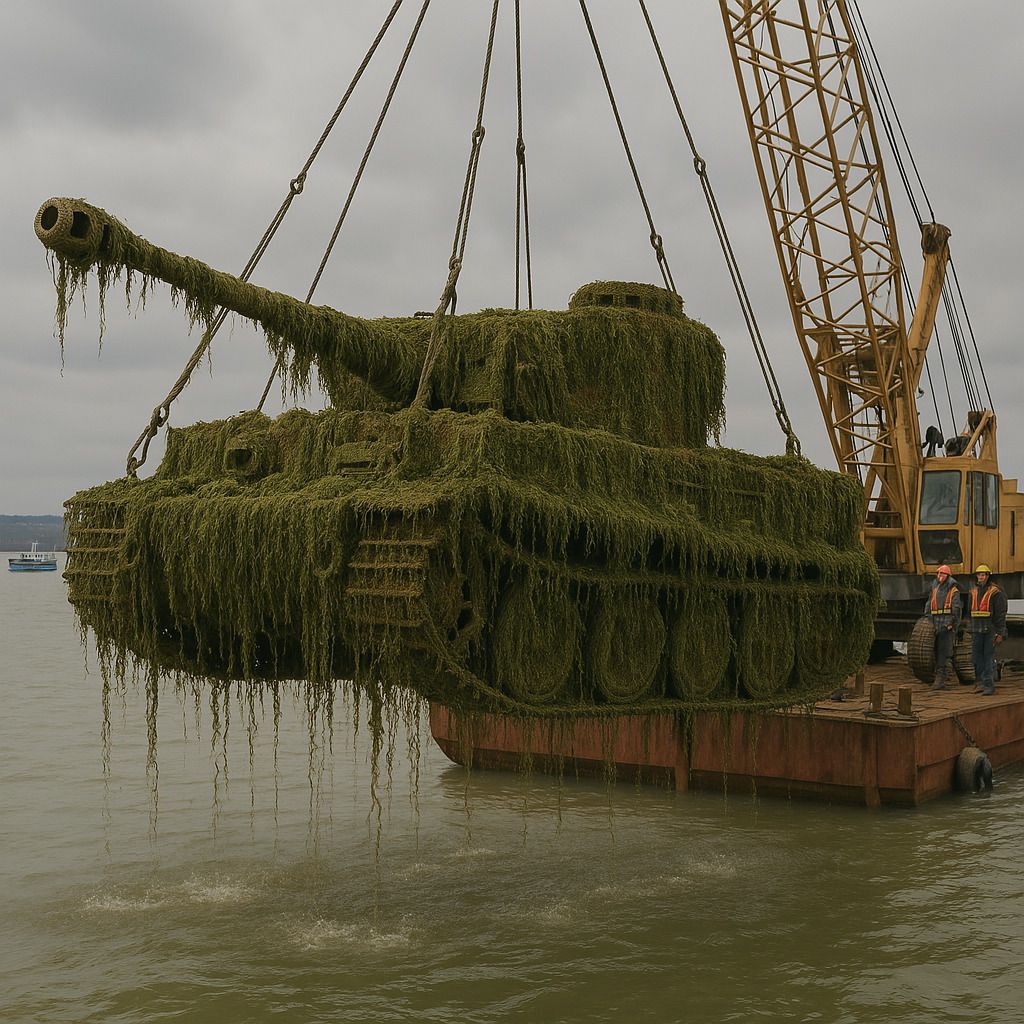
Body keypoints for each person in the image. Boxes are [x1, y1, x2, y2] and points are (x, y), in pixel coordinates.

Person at [968, 564, 1007, 696]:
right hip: (976, 630)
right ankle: (980, 683)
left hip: (990, 630)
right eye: (979, 575)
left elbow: (1000, 614)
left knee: (988, 658)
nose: (980, 577)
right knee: (976, 658)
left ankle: (989, 686)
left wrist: (1000, 632)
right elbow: (970, 612)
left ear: (988, 576)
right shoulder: (973, 591)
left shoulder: (996, 592)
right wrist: (969, 628)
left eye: (983, 575)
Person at [926, 564, 961, 691]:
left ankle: (940, 678)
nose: (939, 576)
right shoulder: (935, 587)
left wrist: (951, 623)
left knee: (943, 652)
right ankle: (942, 676)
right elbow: (929, 603)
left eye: (942, 574)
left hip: (946, 625)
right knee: (936, 651)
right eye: (938, 574)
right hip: (935, 623)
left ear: (947, 575)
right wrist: (927, 619)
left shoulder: (953, 590)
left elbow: (956, 609)